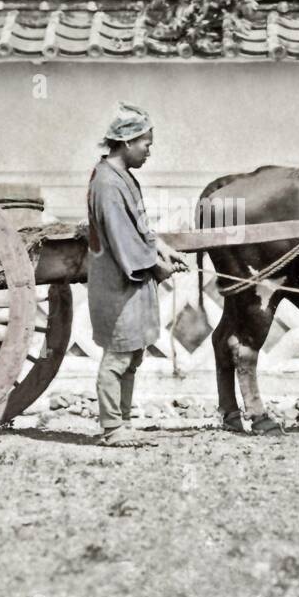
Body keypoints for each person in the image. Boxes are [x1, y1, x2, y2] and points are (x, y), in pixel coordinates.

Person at [85, 102, 187, 446]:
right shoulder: (108, 185)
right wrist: (157, 265)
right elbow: (122, 240)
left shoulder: (122, 177)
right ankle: (112, 428)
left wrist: (162, 248)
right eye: (146, 144)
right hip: (117, 282)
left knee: (133, 353)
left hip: (130, 279)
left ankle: (123, 424)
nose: (149, 152)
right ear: (127, 142)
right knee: (118, 355)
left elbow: (139, 228)